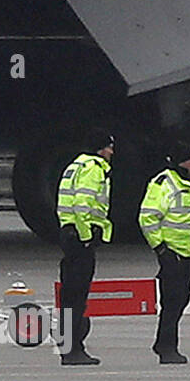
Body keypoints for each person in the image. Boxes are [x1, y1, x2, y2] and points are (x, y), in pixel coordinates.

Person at [140, 143, 190, 365]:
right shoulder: (164, 183)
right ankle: (167, 346)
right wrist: (160, 249)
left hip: (187, 253)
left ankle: (164, 343)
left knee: (181, 300)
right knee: (172, 301)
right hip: (171, 253)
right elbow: (147, 217)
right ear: (181, 162)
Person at [55, 129, 114, 366]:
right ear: (101, 148)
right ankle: (73, 349)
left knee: (70, 295)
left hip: (68, 235)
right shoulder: (93, 168)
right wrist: (88, 235)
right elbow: (82, 204)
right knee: (77, 295)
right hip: (80, 239)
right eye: (109, 147)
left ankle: (69, 347)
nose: (112, 151)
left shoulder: (74, 166)